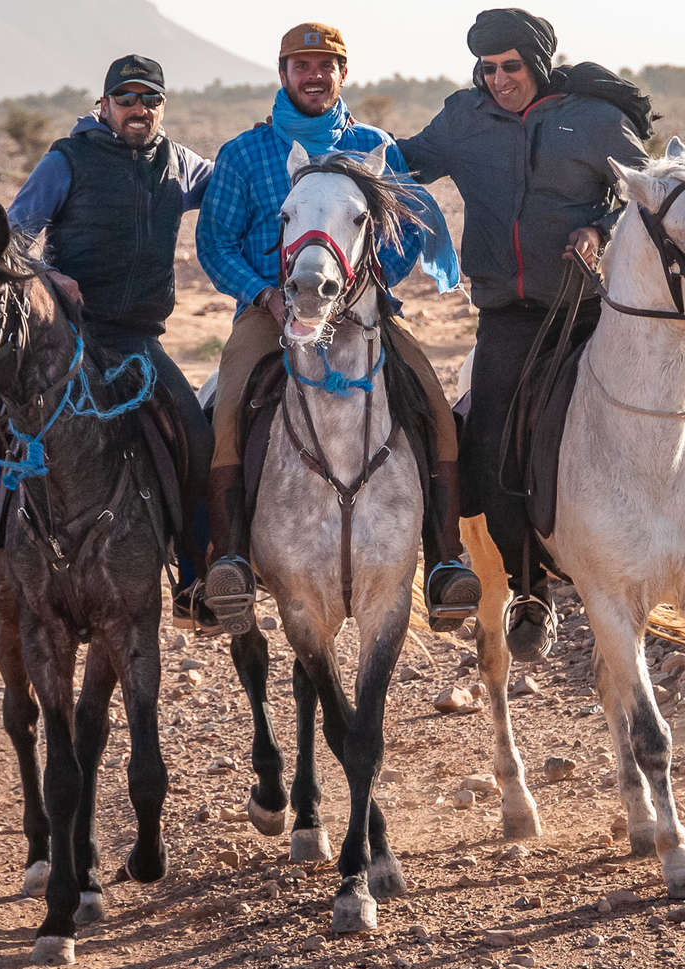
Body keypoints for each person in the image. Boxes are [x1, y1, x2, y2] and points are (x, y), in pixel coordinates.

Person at [400, 8, 685, 662]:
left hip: (595, 308)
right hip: (509, 314)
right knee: (490, 444)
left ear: (536, 63)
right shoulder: (463, 119)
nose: (498, 78)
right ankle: (530, 588)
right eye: (487, 67)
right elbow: (406, 162)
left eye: (510, 66)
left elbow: (642, 192)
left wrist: (596, 226)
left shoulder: (592, 121)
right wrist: (334, 145)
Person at [195, 22, 480, 636]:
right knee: (224, 412)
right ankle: (229, 560)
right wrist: (263, 294)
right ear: (283, 75)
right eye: (302, 65)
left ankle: (444, 561)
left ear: (342, 74)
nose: (314, 74)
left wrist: (365, 292)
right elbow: (214, 243)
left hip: (361, 311)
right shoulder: (245, 153)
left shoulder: (375, 146)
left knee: (434, 406)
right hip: (268, 311)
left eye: (326, 65)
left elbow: (402, 234)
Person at [0, 54, 217, 646]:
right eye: (128, 98)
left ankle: (194, 578)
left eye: (151, 99)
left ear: (162, 107)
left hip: (137, 339)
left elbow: (230, 191)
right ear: (104, 104)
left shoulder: (179, 164)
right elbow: (15, 237)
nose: (140, 109)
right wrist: (51, 279)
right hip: (67, 338)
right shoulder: (68, 159)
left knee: (195, 431)